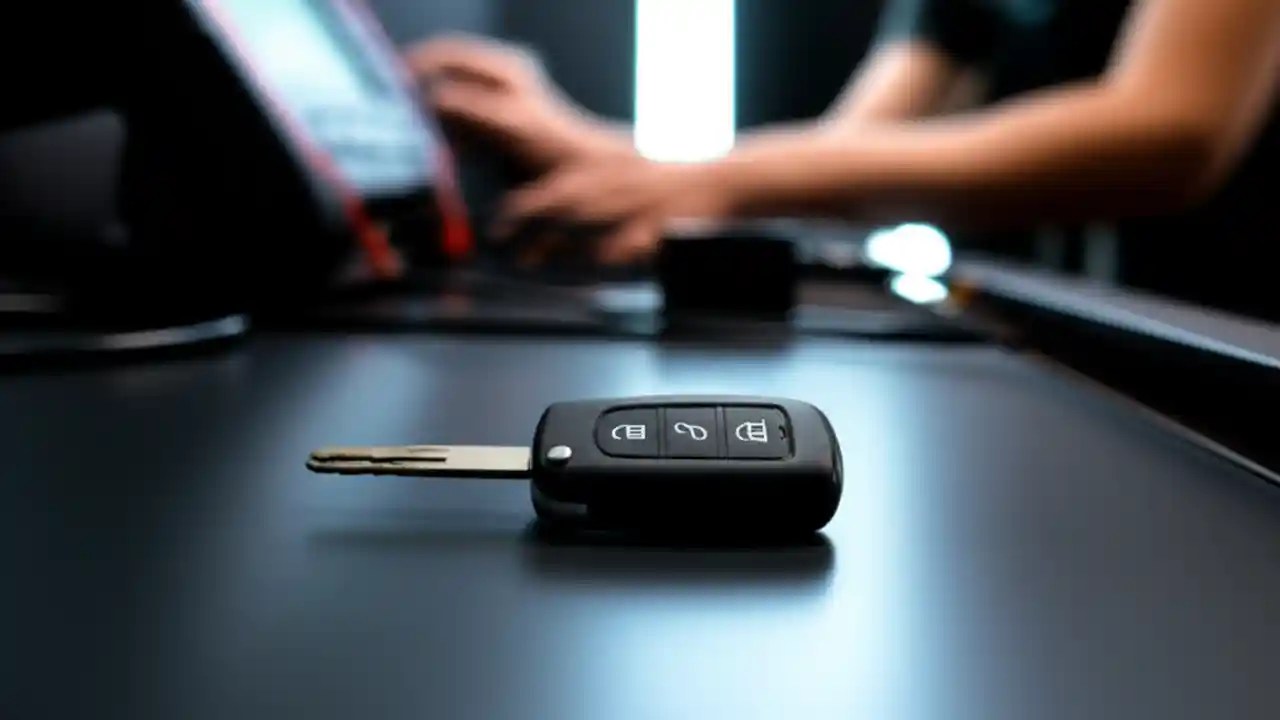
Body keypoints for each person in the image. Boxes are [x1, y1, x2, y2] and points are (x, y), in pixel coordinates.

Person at [409, 0, 1280, 313]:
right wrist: (607, 159)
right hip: (1081, 354)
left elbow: (1173, 130)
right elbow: (850, 158)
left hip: (1234, 367)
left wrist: (702, 183)